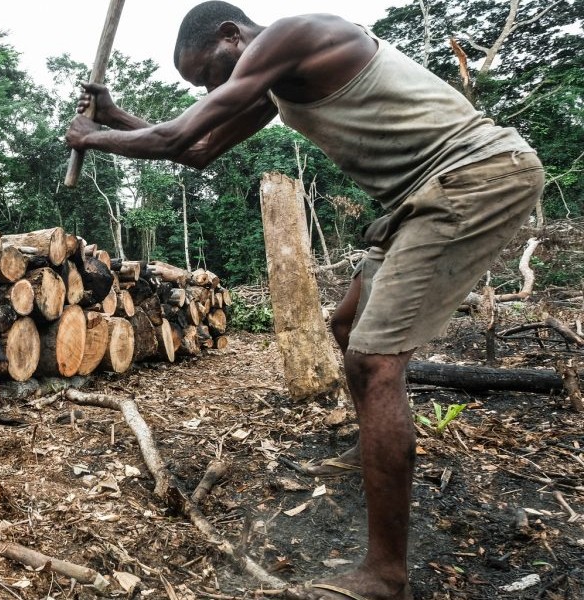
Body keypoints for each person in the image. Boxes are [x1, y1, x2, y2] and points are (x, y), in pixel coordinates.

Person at [65, 2, 543, 599]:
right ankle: (371, 447)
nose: (215, 88)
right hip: (416, 199)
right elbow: (198, 150)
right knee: (348, 328)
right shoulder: (278, 85)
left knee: (375, 361)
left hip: (472, 176)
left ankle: (385, 576)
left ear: (232, 36)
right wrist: (112, 116)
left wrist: (94, 136)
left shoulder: (297, 33)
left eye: (210, 74)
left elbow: (178, 133)